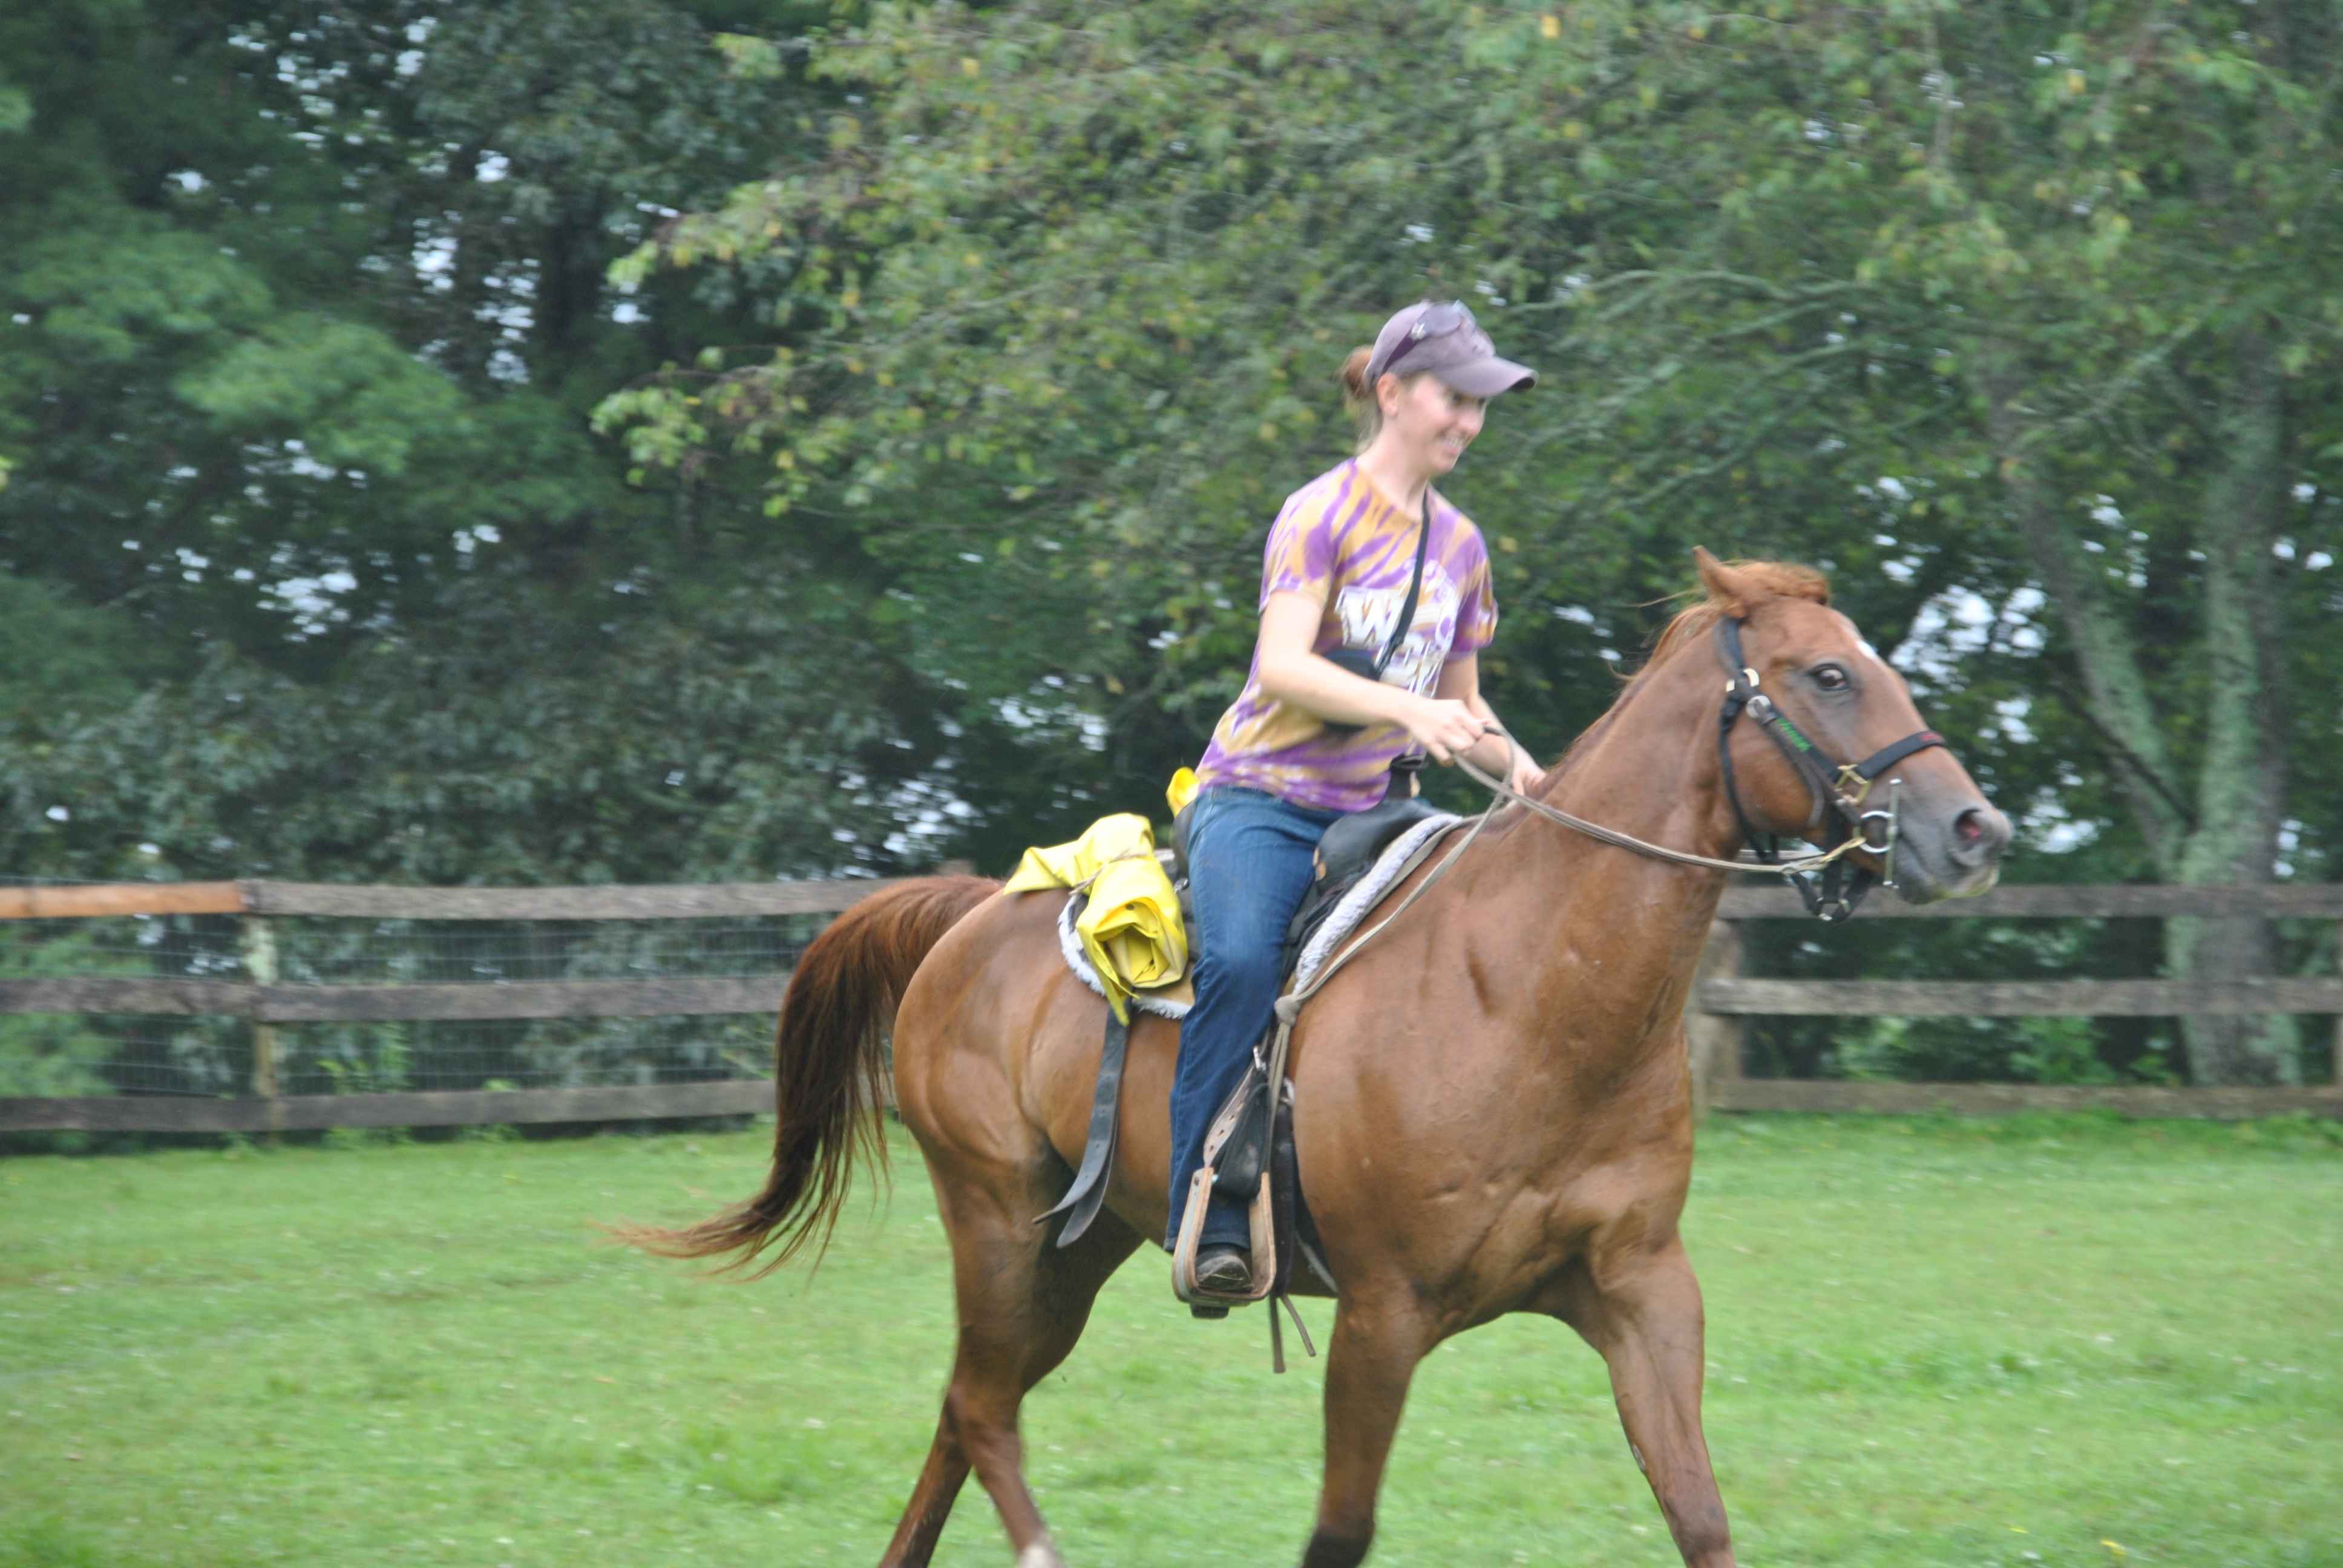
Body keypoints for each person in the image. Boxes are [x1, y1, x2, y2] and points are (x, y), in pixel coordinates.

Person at [1170, 300, 1544, 1297]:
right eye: (1454, 398)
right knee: (1241, 962)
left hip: (1379, 813)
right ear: (1391, 393)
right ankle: (1204, 1214)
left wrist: (1533, 778)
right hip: (1260, 799)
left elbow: (1466, 709)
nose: (1469, 421)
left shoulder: (1461, 547)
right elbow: (1283, 667)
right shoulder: (1319, 514)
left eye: (1480, 406)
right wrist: (1407, 710)